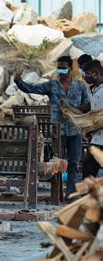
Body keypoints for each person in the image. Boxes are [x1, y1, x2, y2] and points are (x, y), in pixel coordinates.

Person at [14, 55, 89, 200]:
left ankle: (70, 194)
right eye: (59, 68)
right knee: (57, 163)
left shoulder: (80, 86)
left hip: (75, 130)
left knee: (73, 163)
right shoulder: (52, 85)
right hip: (58, 131)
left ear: (71, 69)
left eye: (63, 68)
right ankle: (57, 193)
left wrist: (73, 110)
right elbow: (31, 89)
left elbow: (87, 105)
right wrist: (19, 82)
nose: (61, 71)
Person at [79, 60, 103, 179]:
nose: (85, 76)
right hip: (97, 138)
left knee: (88, 169)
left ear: (96, 74)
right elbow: (90, 108)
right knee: (88, 170)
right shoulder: (93, 89)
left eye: (87, 74)